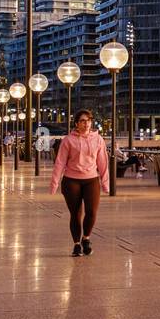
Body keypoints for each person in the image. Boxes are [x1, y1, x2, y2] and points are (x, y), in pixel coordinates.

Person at [50, 109, 109, 257]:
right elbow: (60, 162)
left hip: (91, 179)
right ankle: (76, 244)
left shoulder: (98, 139)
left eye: (88, 120)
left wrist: (105, 182)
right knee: (76, 213)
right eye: (83, 121)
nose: (86, 123)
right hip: (71, 181)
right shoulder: (68, 140)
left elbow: (102, 162)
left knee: (91, 212)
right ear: (76, 123)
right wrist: (54, 184)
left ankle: (86, 239)